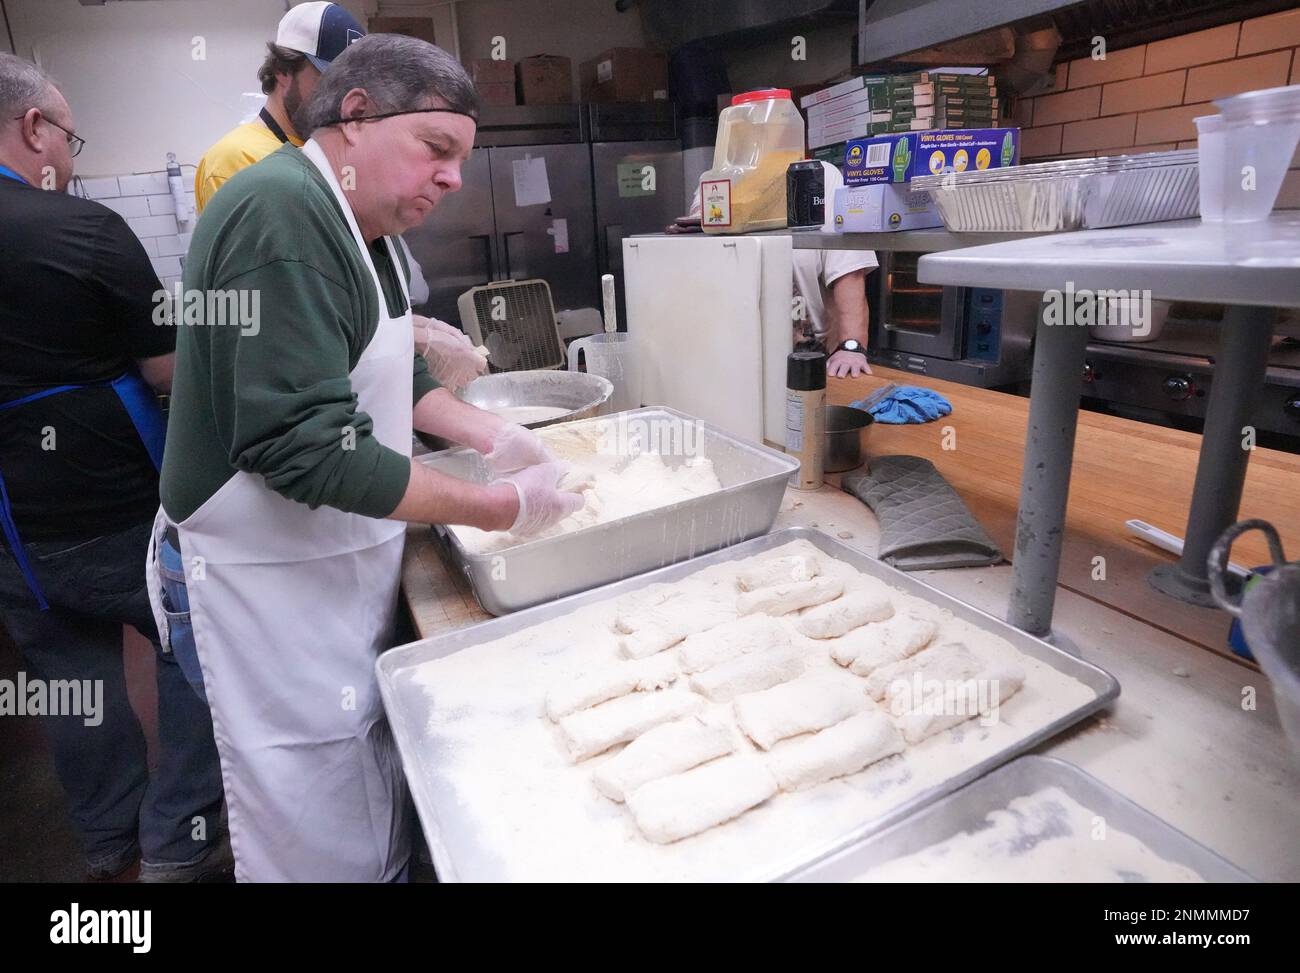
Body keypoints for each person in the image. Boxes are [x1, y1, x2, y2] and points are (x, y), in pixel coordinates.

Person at [151, 33, 584, 882]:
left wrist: (494, 436)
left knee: (354, 793)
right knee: (313, 822)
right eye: (437, 150)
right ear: (356, 116)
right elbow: (305, 450)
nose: (454, 178)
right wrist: (501, 508)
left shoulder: (361, 222)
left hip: (320, 566)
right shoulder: (280, 210)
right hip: (257, 576)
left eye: (461, 157)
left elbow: (399, 373)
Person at [0, 53, 227, 882]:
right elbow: (170, 369)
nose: (71, 155)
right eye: (69, 135)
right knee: (196, 641)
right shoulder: (79, 226)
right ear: (34, 127)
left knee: (71, 682)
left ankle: (108, 848)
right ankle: (179, 835)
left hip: (13, 532)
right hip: (117, 509)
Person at [193, 1, 364, 214]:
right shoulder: (235, 160)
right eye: (329, 81)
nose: (341, 98)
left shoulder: (330, 148)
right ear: (282, 70)